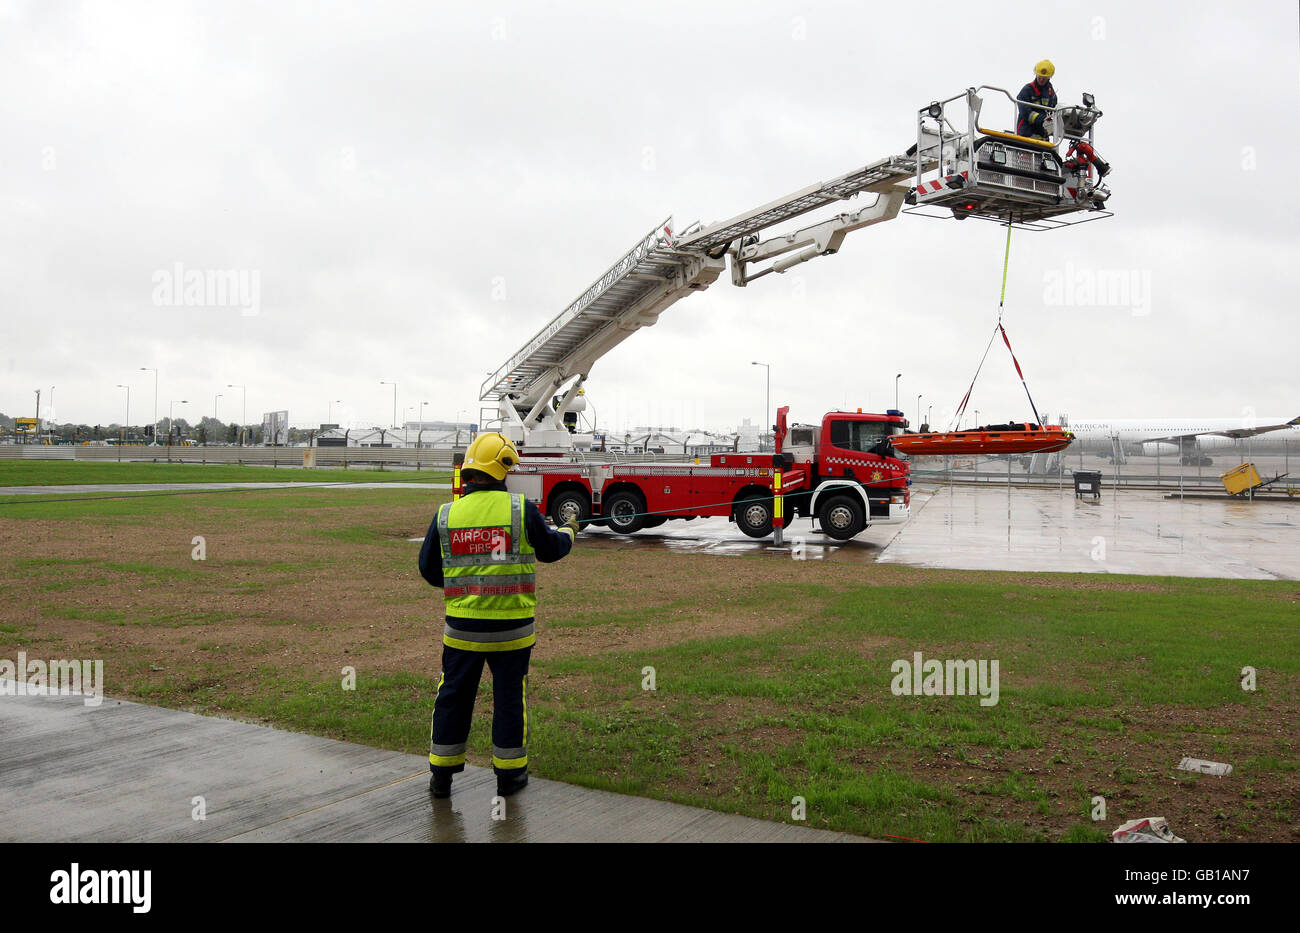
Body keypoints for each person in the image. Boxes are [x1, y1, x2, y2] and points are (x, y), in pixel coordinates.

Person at [418, 431, 577, 799]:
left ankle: (441, 778)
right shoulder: (520, 509)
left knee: (453, 697)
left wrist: (465, 588)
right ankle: (510, 777)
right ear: (502, 470)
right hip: (513, 632)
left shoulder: (447, 514)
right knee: (509, 699)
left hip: (461, 631)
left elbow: (428, 570)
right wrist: (569, 528)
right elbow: (552, 550)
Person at [1016, 59, 1058, 140]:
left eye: (1044, 78)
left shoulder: (1051, 94)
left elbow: (1054, 111)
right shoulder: (1027, 90)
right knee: (1027, 151)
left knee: (1045, 152)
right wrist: (1042, 119)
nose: (1041, 79)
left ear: (1049, 77)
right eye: (1040, 77)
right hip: (1026, 132)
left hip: (1043, 135)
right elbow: (1025, 111)